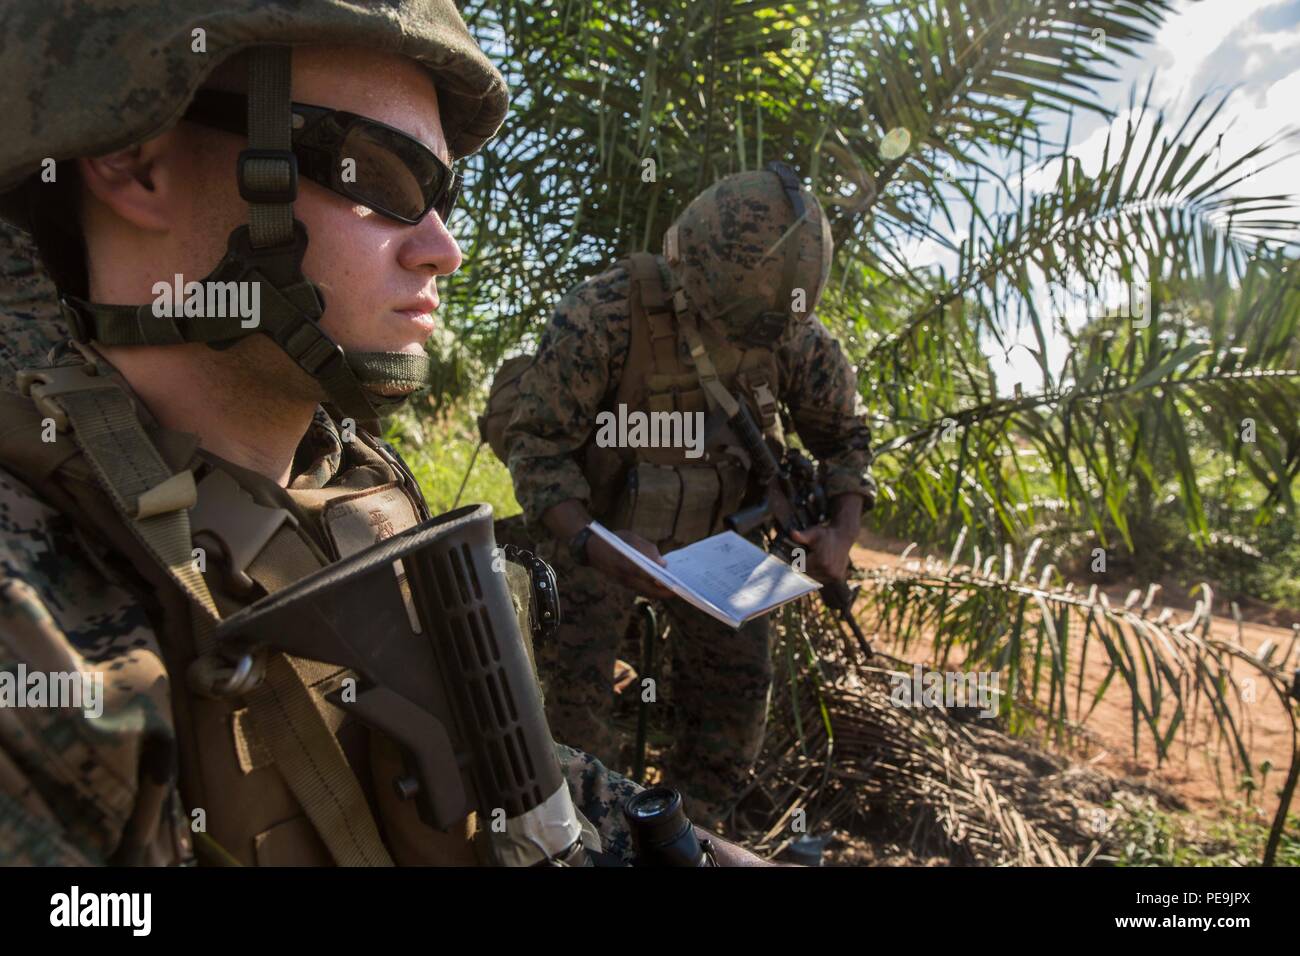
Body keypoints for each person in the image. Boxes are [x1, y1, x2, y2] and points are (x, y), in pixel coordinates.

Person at [0, 0, 763, 867]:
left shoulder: (351, 480)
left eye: (441, 195)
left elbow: (494, 780)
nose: (443, 249)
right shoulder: (31, 621)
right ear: (132, 163)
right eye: (380, 176)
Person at [500, 164, 878, 827]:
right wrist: (591, 541)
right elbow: (537, 445)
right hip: (600, 540)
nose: (742, 343)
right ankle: (587, 835)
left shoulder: (789, 333)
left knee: (731, 714)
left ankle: (691, 834)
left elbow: (845, 439)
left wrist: (840, 531)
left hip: (725, 551)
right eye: (729, 323)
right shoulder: (606, 314)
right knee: (567, 716)